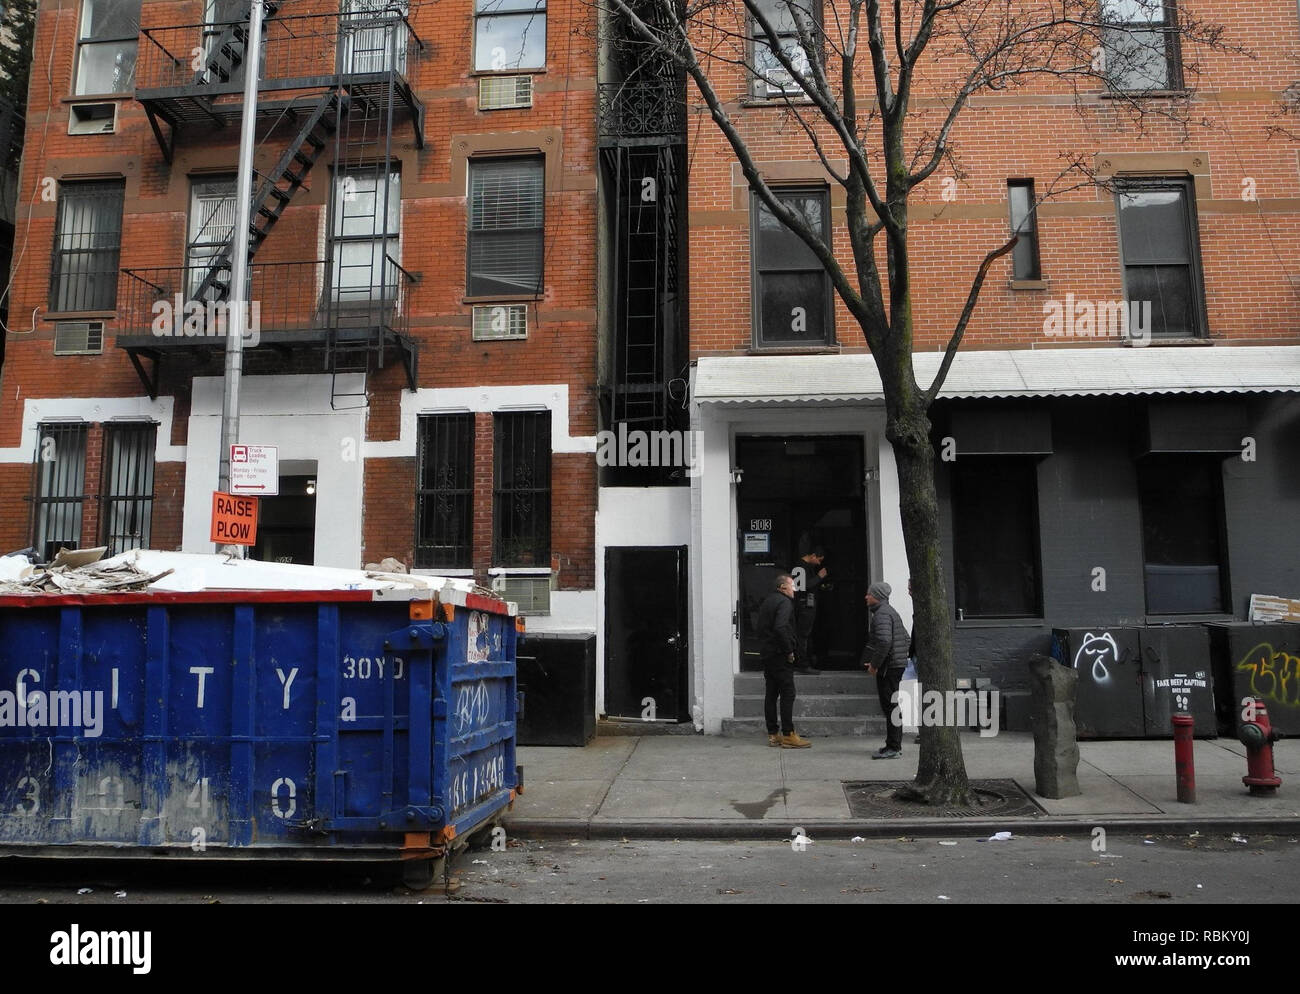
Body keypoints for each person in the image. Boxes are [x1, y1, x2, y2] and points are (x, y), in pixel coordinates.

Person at [756, 573, 811, 748]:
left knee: (771, 693)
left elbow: (761, 627)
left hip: (768, 654)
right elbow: (780, 627)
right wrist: (788, 650)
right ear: (782, 588)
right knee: (788, 693)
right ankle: (788, 734)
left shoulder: (768, 601)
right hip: (780, 655)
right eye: (792, 586)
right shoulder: (785, 603)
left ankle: (773, 734)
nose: (795, 589)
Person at [861, 580, 909, 759]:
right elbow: (906, 637)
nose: (866, 596)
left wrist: (875, 664)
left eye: (870, 594)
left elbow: (884, 642)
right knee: (891, 706)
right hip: (895, 665)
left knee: (890, 707)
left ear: (878, 597)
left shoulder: (881, 615)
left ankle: (894, 748)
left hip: (889, 668)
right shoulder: (890, 612)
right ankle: (892, 745)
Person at [790, 548, 827, 674]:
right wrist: (819, 577)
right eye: (819, 560)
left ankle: (805, 662)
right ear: (813, 555)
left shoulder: (805, 567)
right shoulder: (800, 567)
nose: (819, 563)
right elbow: (801, 587)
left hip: (806, 605)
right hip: (804, 605)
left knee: (804, 635)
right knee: (802, 635)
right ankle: (802, 664)